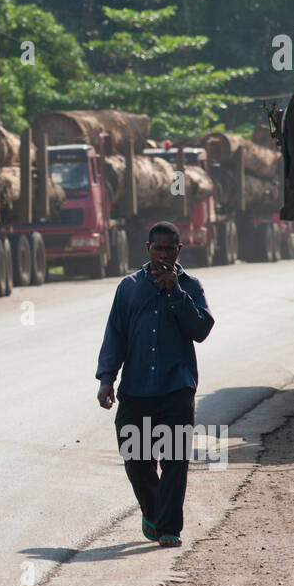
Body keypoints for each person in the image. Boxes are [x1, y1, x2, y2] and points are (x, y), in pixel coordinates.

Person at [96, 222, 214, 548]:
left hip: (177, 388)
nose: (163, 255)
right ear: (147, 248)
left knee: (175, 460)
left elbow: (201, 330)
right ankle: (153, 511)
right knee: (135, 458)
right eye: (157, 248)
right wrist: (107, 378)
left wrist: (176, 293)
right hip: (135, 390)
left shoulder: (191, 286)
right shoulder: (129, 287)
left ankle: (169, 528)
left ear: (179, 250)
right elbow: (115, 334)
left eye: (169, 249)